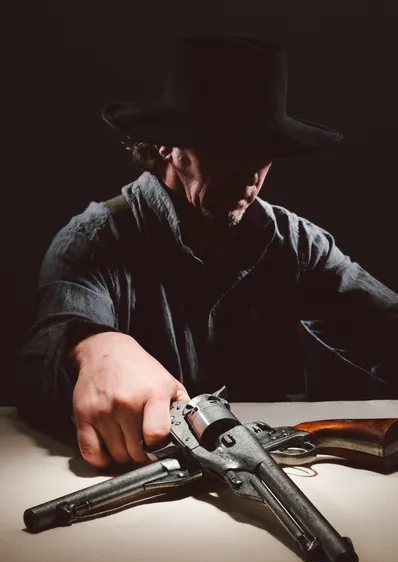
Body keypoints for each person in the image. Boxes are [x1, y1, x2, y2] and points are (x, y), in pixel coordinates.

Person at [17, 35, 398, 469]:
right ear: (166, 144)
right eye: (228, 148)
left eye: (265, 152)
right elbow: (37, 367)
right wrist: (92, 348)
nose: (251, 174)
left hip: (282, 475)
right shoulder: (94, 241)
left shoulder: (295, 243)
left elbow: (386, 332)